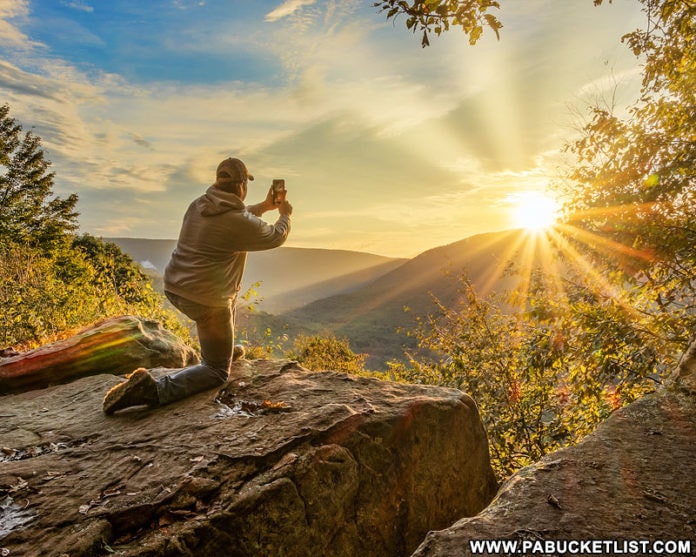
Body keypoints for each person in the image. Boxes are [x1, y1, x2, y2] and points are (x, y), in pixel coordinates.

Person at [102, 157, 292, 414]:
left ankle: (223, 347)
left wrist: (265, 206)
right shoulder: (236, 222)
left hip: (175, 286)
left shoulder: (198, 205)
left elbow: (239, 217)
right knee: (216, 371)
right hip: (204, 299)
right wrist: (284, 214)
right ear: (241, 186)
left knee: (228, 295)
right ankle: (153, 390)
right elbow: (275, 236)